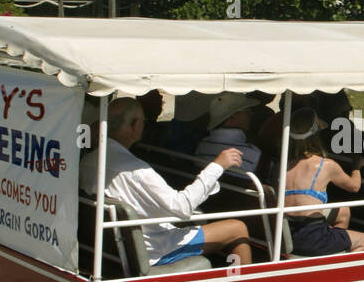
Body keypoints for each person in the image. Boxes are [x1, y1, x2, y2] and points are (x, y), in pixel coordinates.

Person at [80, 97, 253, 267]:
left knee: (200, 218)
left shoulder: (88, 161)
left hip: (116, 245)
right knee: (237, 228)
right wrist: (218, 166)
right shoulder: (137, 170)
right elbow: (181, 207)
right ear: (135, 125)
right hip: (155, 249)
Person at [282, 108, 364, 254]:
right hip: (311, 236)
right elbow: (354, 187)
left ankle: (332, 253)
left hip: (287, 233)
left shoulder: (284, 164)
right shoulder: (325, 165)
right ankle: (337, 270)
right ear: (317, 135)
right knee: (363, 240)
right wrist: (357, 167)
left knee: (343, 211)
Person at [195, 92, 264, 174]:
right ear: (233, 116)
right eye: (247, 112)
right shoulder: (254, 153)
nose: (251, 115)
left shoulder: (202, 145)